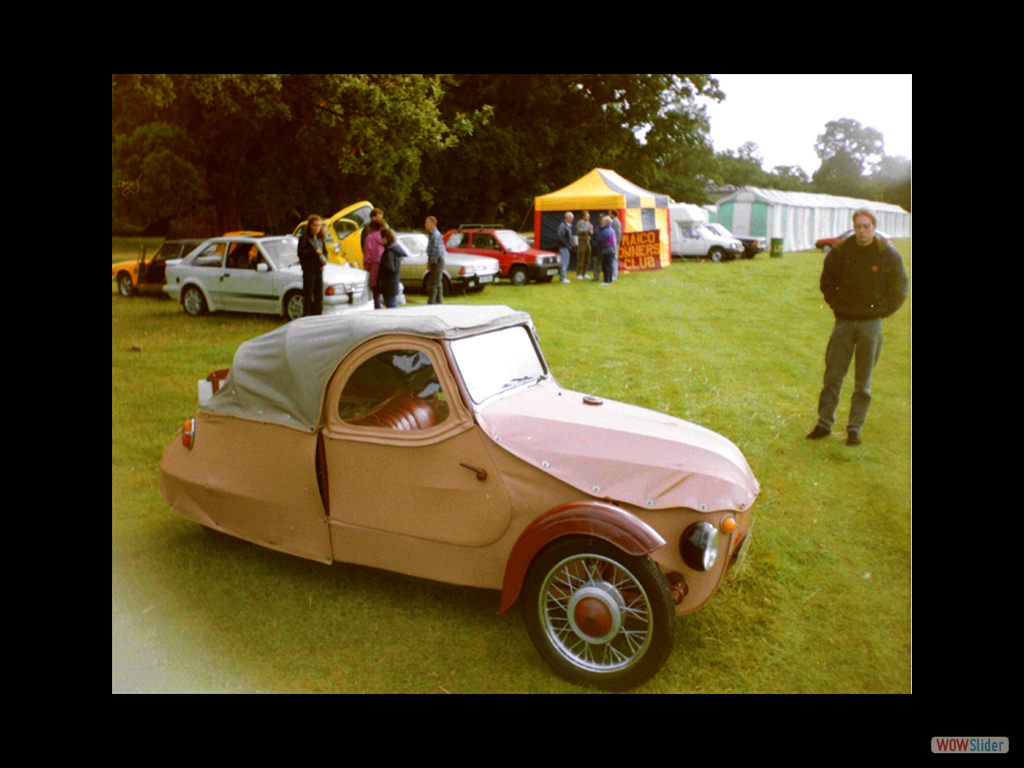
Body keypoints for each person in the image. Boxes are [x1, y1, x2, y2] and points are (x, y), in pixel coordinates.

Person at [806, 208, 908, 446]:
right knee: (833, 376)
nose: (862, 231)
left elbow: (900, 287)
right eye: (858, 226)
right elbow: (826, 282)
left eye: (866, 226)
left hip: (871, 325)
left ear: (874, 227)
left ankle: (854, 430)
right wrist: (837, 305)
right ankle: (824, 424)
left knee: (863, 382)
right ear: (853, 227)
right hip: (844, 322)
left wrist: (882, 311)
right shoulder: (840, 251)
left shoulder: (887, 254)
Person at [297, 214, 327, 316]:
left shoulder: (320, 238)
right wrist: (313, 251)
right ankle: (307, 316)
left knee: (319, 296)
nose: (317, 228)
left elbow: (325, 252)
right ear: (310, 225)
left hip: (319, 269)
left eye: (319, 225)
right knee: (308, 296)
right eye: (315, 225)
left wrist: (324, 259)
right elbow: (301, 253)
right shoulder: (305, 238)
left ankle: (317, 316)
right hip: (309, 270)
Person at [377, 228, 404, 308]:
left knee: (391, 305)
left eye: (382, 238)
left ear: (385, 238)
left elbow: (389, 268)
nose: (381, 240)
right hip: (393, 282)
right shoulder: (394, 249)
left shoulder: (389, 252)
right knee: (392, 303)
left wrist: (381, 273)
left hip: (388, 284)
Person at [363, 218, 386, 309]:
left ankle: (378, 310)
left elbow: (368, 254)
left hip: (374, 267)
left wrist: (367, 266)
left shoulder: (369, 238)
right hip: (385, 265)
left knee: (376, 293)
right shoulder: (386, 237)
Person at [424, 216, 446, 304]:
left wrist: (432, 260)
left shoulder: (435, 234)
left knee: (433, 281)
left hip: (437, 260)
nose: (425, 225)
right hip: (437, 259)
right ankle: (438, 300)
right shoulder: (433, 234)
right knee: (437, 281)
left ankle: (432, 301)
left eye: (426, 223)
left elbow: (435, 248)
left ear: (431, 224)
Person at [596, 215, 617, 285]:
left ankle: (606, 281)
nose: (602, 222)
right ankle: (609, 280)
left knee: (606, 265)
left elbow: (602, 241)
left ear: (606, 222)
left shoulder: (606, 230)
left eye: (603, 221)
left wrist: (599, 247)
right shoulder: (611, 229)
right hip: (612, 249)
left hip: (607, 250)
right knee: (609, 265)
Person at [557, 211, 574, 283]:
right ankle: (562, 278)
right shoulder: (562, 225)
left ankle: (563, 277)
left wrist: (571, 243)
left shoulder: (567, 226)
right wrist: (567, 244)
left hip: (566, 247)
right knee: (564, 262)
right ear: (568, 218)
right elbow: (560, 236)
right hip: (563, 247)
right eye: (571, 218)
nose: (572, 219)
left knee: (566, 262)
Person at [576, 211, 593, 280]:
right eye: (587, 216)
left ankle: (585, 272)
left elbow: (591, 232)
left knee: (587, 257)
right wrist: (586, 230)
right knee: (581, 257)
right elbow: (579, 231)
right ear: (583, 217)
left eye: (589, 216)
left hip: (588, 241)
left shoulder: (589, 223)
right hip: (582, 241)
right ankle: (579, 273)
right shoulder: (579, 223)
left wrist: (590, 231)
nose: (588, 217)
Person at [608, 210, 622, 281]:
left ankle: (614, 275)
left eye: (610, 213)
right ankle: (613, 274)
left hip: (614, 243)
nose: (609, 215)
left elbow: (618, 233)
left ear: (613, 214)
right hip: (614, 243)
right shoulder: (614, 221)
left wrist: (616, 242)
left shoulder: (615, 222)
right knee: (613, 259)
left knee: (614, 259)